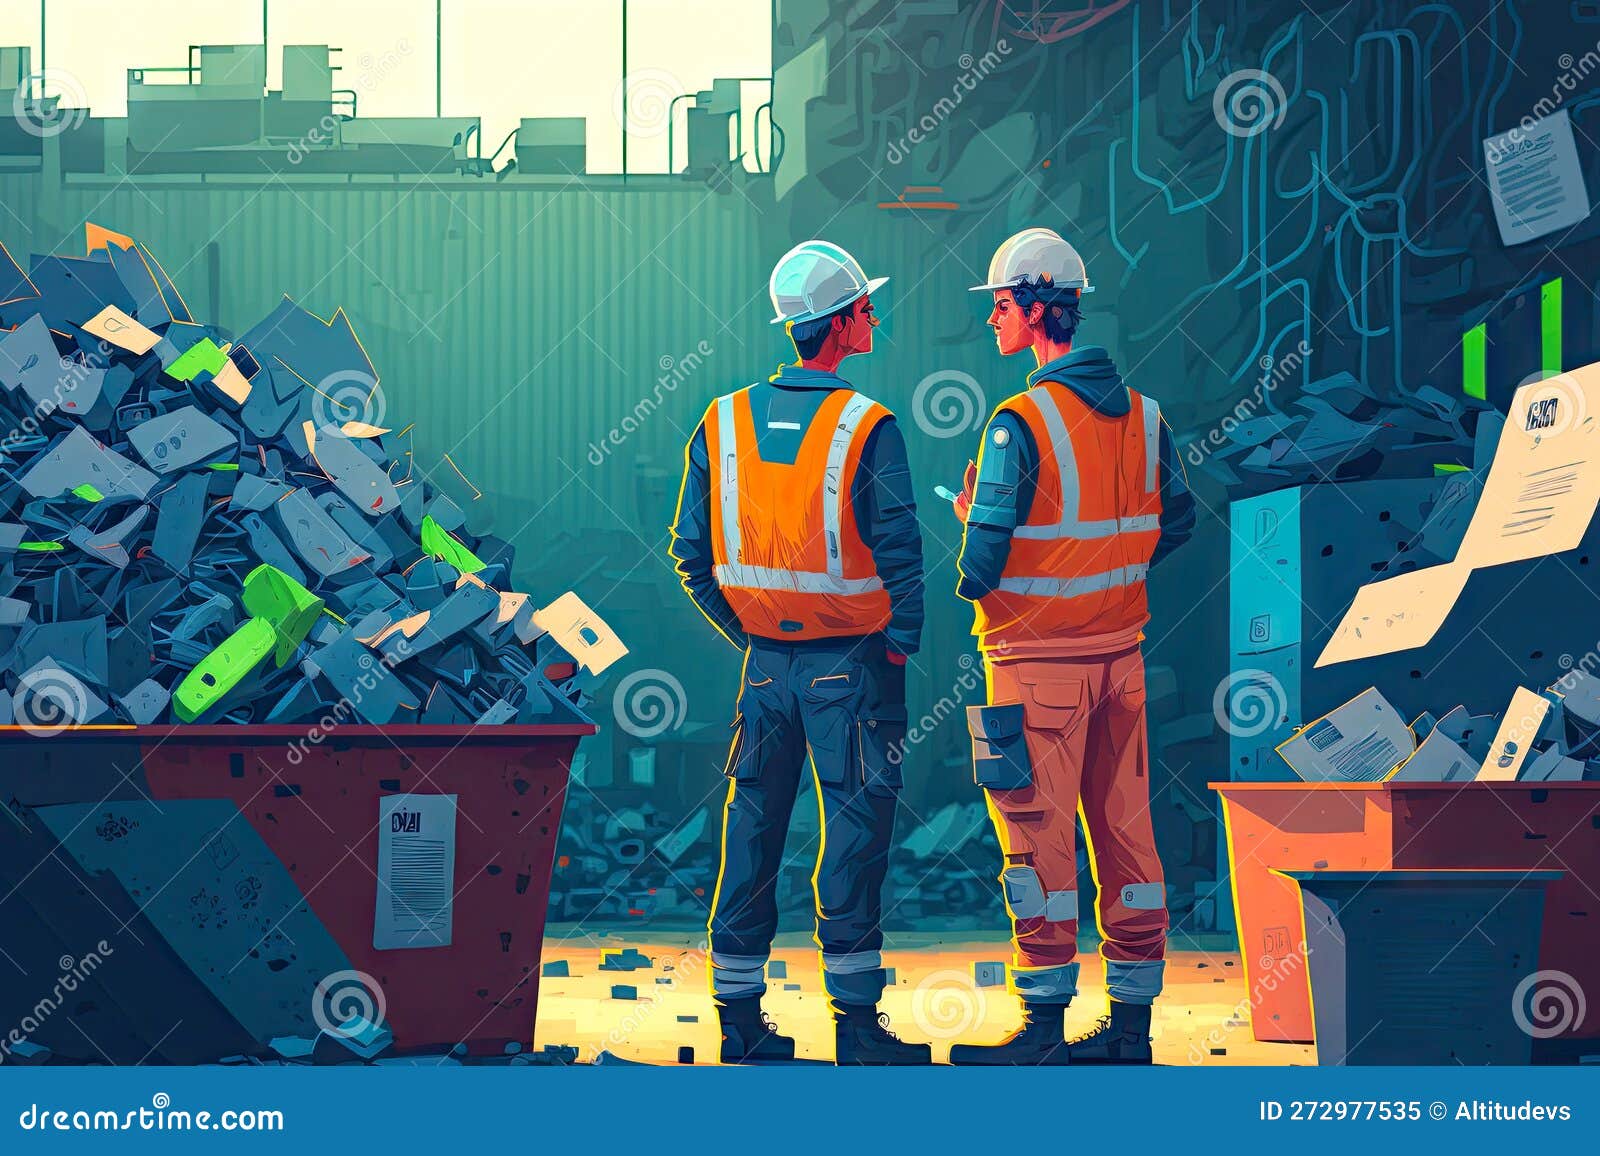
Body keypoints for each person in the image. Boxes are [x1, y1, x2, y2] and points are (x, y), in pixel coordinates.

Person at [668, 240, 930, 1065]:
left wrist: (750, 634)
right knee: (853, 836)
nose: (876, 318)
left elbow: (689, 553)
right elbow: (902, 553)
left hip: (765, 672)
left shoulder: (722, 421)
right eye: (867, 308)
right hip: (852, 669)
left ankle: (739, 1027)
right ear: (840, 324)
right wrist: (900, 649)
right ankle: (856, 1030)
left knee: (750, 835)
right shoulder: (868, 426)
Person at [946, 227, 1195, 1066]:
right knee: (1128, 834)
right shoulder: (1147, 417)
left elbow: (979, 570)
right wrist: (1104, 581)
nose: (992, 321)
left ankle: (1044, 1030)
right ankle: (1130, 1031)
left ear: (1032, 308)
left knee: (1035, 839)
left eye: (1000, 307)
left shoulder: (1017, 423)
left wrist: (971, 527)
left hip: (1034, 669)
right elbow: (1179, 523)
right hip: (1122, 662)